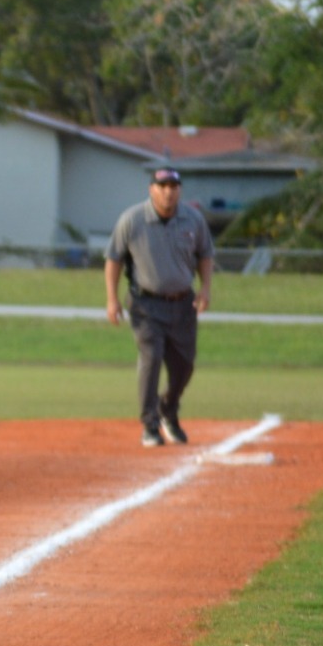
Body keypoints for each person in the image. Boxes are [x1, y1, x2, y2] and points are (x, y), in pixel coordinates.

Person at [104, 166, 214, 447]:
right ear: (151, 189)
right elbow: (114, 258)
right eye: (162, 186)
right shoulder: (132, 219)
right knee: (151, 359)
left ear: (179, 190)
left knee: (184, 366)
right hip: (146, 304)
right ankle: (150, 425)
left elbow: (205, 254)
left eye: (173, 186)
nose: (168, 192)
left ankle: (168, 408)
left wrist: (205, 289)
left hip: (182, 303)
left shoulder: (193, 219)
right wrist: (112, 298)